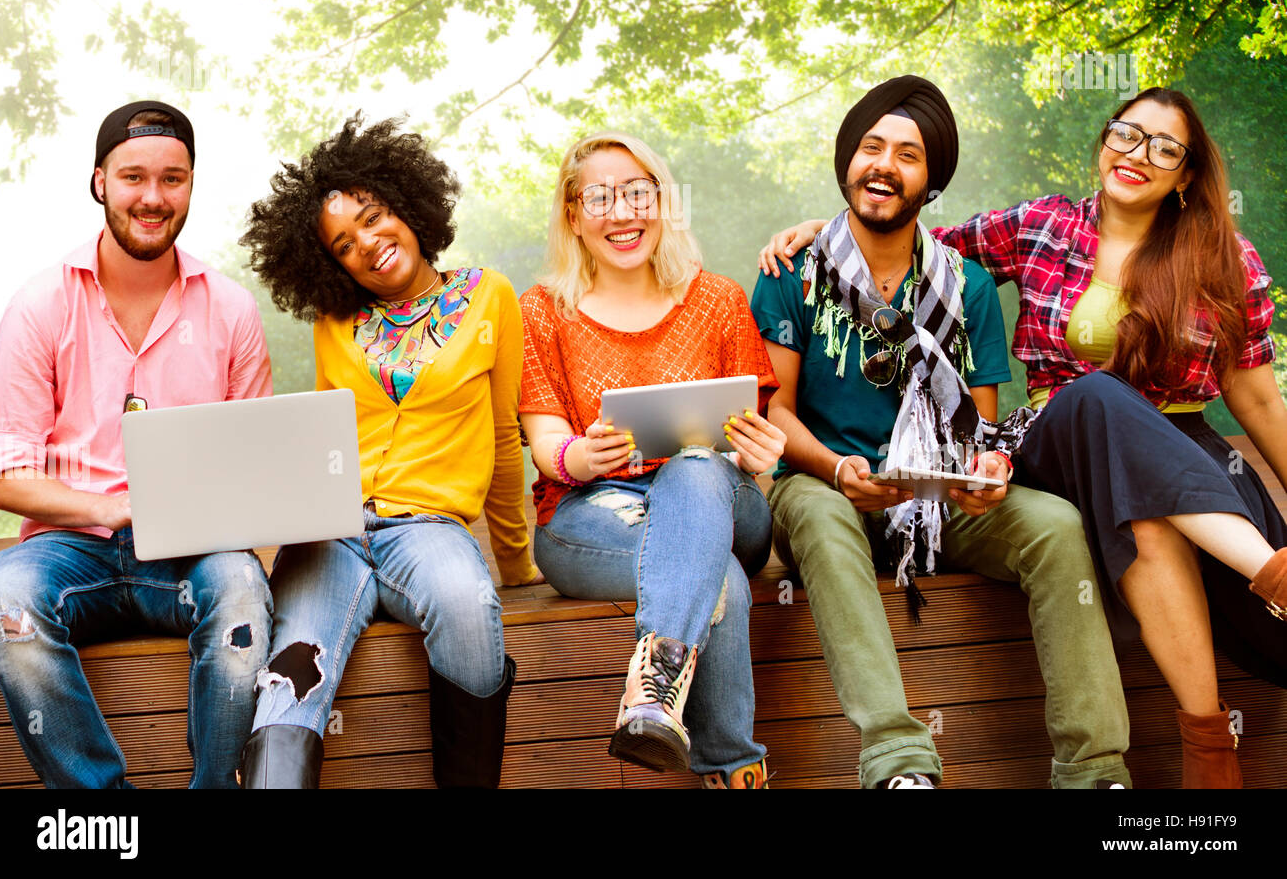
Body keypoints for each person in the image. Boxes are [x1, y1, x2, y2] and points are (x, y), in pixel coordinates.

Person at [760, 84, 1287, 788]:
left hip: (1174, 458)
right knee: (1094, 395)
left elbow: (1255, 398)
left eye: (1165, 147)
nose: (1139, 154)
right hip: (1053, 435)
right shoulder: (1043, 227)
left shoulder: (1225, 258)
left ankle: (1188, 752)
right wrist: (819, 232)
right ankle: (1274, 573)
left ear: (1188, 173)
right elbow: (912, 244)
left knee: (1138, 522)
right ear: (1105, 140)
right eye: (1127, 134)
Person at [751, 75, 1133, 789]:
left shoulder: (970, 286)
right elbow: (775, 411)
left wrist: (983, 474)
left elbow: (980, 428)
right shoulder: (792, 273)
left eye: (908, 155)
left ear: (930, 182)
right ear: (847, 161)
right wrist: (836, 469)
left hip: (935, 498)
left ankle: (1093, 769)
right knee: (815, 507)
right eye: (871, 147)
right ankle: (899, 762)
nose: (884, 165)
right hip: (828, 489)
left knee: (1053, 524)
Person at [238, 115, 538, 788]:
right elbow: (321, 439)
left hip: (428, 529)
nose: (368, 245)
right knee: (292, 671)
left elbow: (500, 434)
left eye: (373, 218)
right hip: (332, 535)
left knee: (467, 603)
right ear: (328, 263)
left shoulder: (489, 296)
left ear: (407, 205)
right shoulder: (333, 321)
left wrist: (515, 561)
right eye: (343, 245)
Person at [0, 101, 274, 789]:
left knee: (239, 594)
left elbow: (260, 470)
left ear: (191, 184)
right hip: (71, 547)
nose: (153, 197)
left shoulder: (231, 309)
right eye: (133, 177)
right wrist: (112, 508)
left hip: (191, 553)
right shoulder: (40, 305)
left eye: (172, 179)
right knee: (8, 602)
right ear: (99, 183)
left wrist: (239, 540)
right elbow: (2, 477)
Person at [519, 132, 782, 788]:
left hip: (720, 499)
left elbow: (755, 439)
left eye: (638, 193)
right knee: (712, 575)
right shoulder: (542, 311)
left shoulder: (718, 300)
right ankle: (731, 771)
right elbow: (548, 443)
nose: (622, 212)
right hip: (591, 515)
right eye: (600, 197)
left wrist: (762, 451)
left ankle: (653, 689)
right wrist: (580, 455)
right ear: (574, 215)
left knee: (694, 466)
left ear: (662, 203)